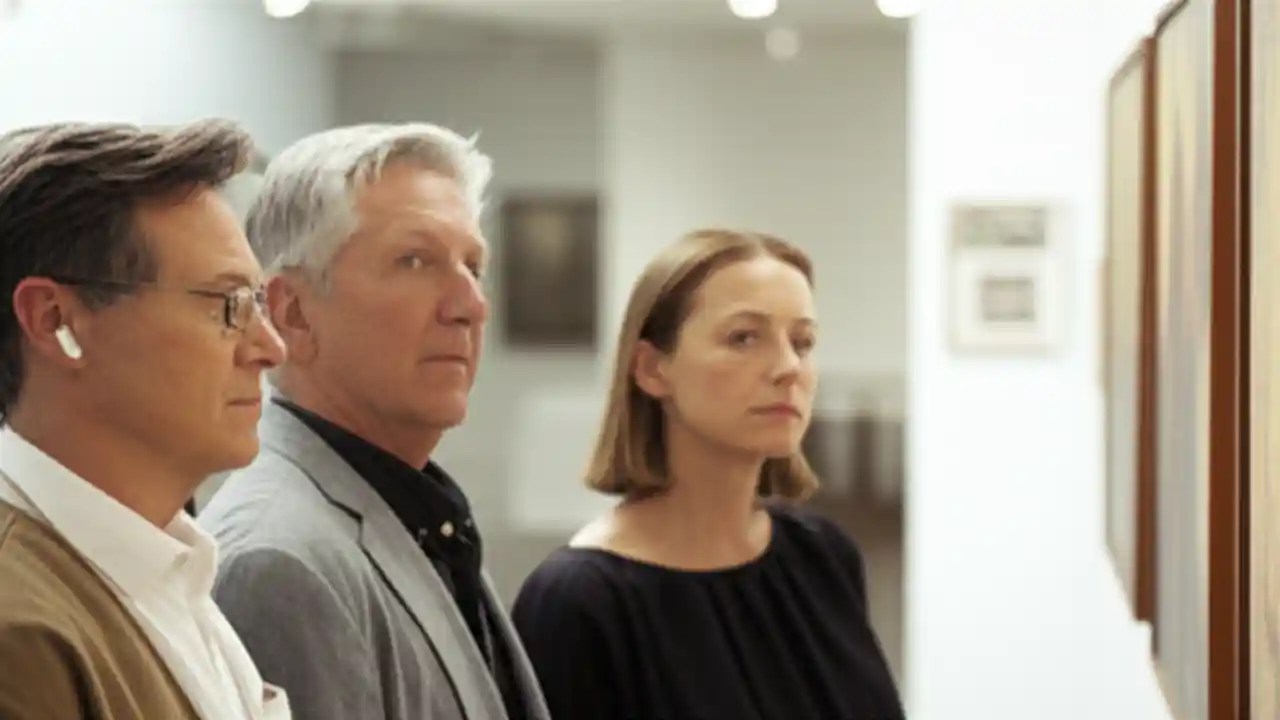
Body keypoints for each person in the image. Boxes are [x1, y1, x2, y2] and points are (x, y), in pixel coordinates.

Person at [199, 124, 550, 720]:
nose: (470, 305)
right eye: (415, 260)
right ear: (293, 313)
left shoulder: (417, 514)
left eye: (473, 266)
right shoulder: (279, 562)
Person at [512, 229, 906, 720]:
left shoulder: (823, 555)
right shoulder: (579, 601)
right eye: (744, 338)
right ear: (652, 369)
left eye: (802, 342)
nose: (788, 367)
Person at [0, 121, 290, 719]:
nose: (270, 347)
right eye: (229, 305)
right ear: (55, 320)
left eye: (258, 303)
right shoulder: (17, 628)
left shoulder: (172, 569)